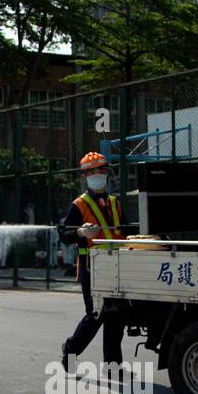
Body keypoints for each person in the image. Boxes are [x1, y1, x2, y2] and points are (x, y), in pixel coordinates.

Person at [58, 151, 125, 370]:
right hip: (91, 267)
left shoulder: (115, 203)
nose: (97, 173)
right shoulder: (79, 205)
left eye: (101, 169)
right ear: (84, 176)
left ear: (107, 172)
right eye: (92, 171)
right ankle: (70, 350)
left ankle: (113, 366)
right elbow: (64, 235)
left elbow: (124, 232)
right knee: (96, 314)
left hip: (116, 265)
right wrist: (79, 232)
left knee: (116, 316)